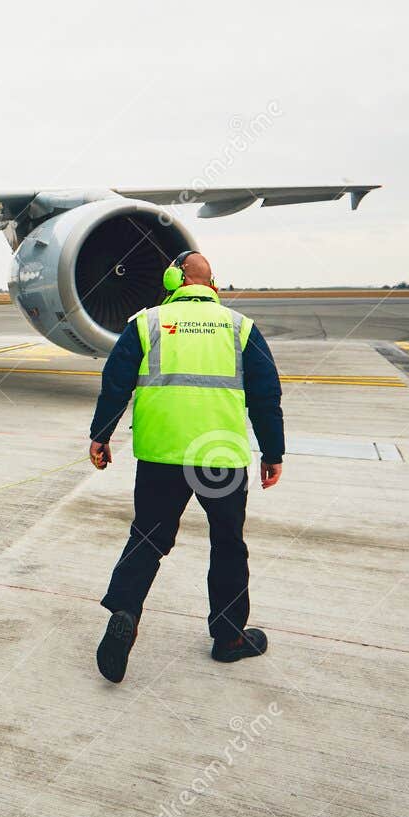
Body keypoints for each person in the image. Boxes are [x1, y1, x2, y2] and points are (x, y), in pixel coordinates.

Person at [87, 251, 284, 683]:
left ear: (173, 278)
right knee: (228, 544)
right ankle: (229, 638)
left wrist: (100, 435)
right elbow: (267, 396)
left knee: (147, 542)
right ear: (213, 283)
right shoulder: (240, 327)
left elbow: (115, 385)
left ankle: (125, 613)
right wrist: (273, 453)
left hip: (161, 456)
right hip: (220, 459)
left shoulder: (147, 323)